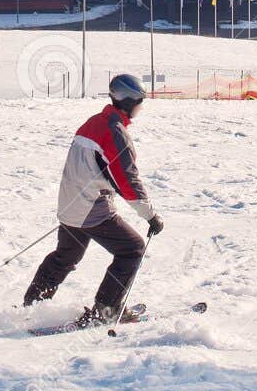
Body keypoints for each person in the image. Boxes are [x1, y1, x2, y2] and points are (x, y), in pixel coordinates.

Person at [24, 73, 163, 327]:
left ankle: (32, 306)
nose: (142, 106)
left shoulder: (95, 122)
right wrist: (150, 215)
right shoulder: (115, 132)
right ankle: (107, 310)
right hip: (90, 207)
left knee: (66, 255)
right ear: (130, 101)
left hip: (70, 203)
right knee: (132, 248)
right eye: (141, 100)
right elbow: (127, 181)